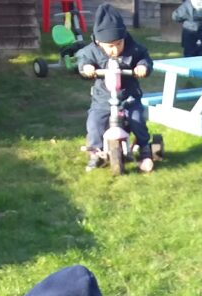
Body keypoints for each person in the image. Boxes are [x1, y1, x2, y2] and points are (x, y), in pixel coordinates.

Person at [77, 4, 155, 173]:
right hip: (103, 98)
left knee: (137, 120)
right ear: (98, 42)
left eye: (118, 44)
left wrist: (142, 66)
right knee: (94, 122)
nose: (115, 49)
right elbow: (82, 59)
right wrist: (87, 67)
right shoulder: (92, 51)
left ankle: (144, 149)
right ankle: (96, 152)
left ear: (124, 38)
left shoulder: (133, 48)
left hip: (128, 97)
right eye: (109, 46)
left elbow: (144, 57)